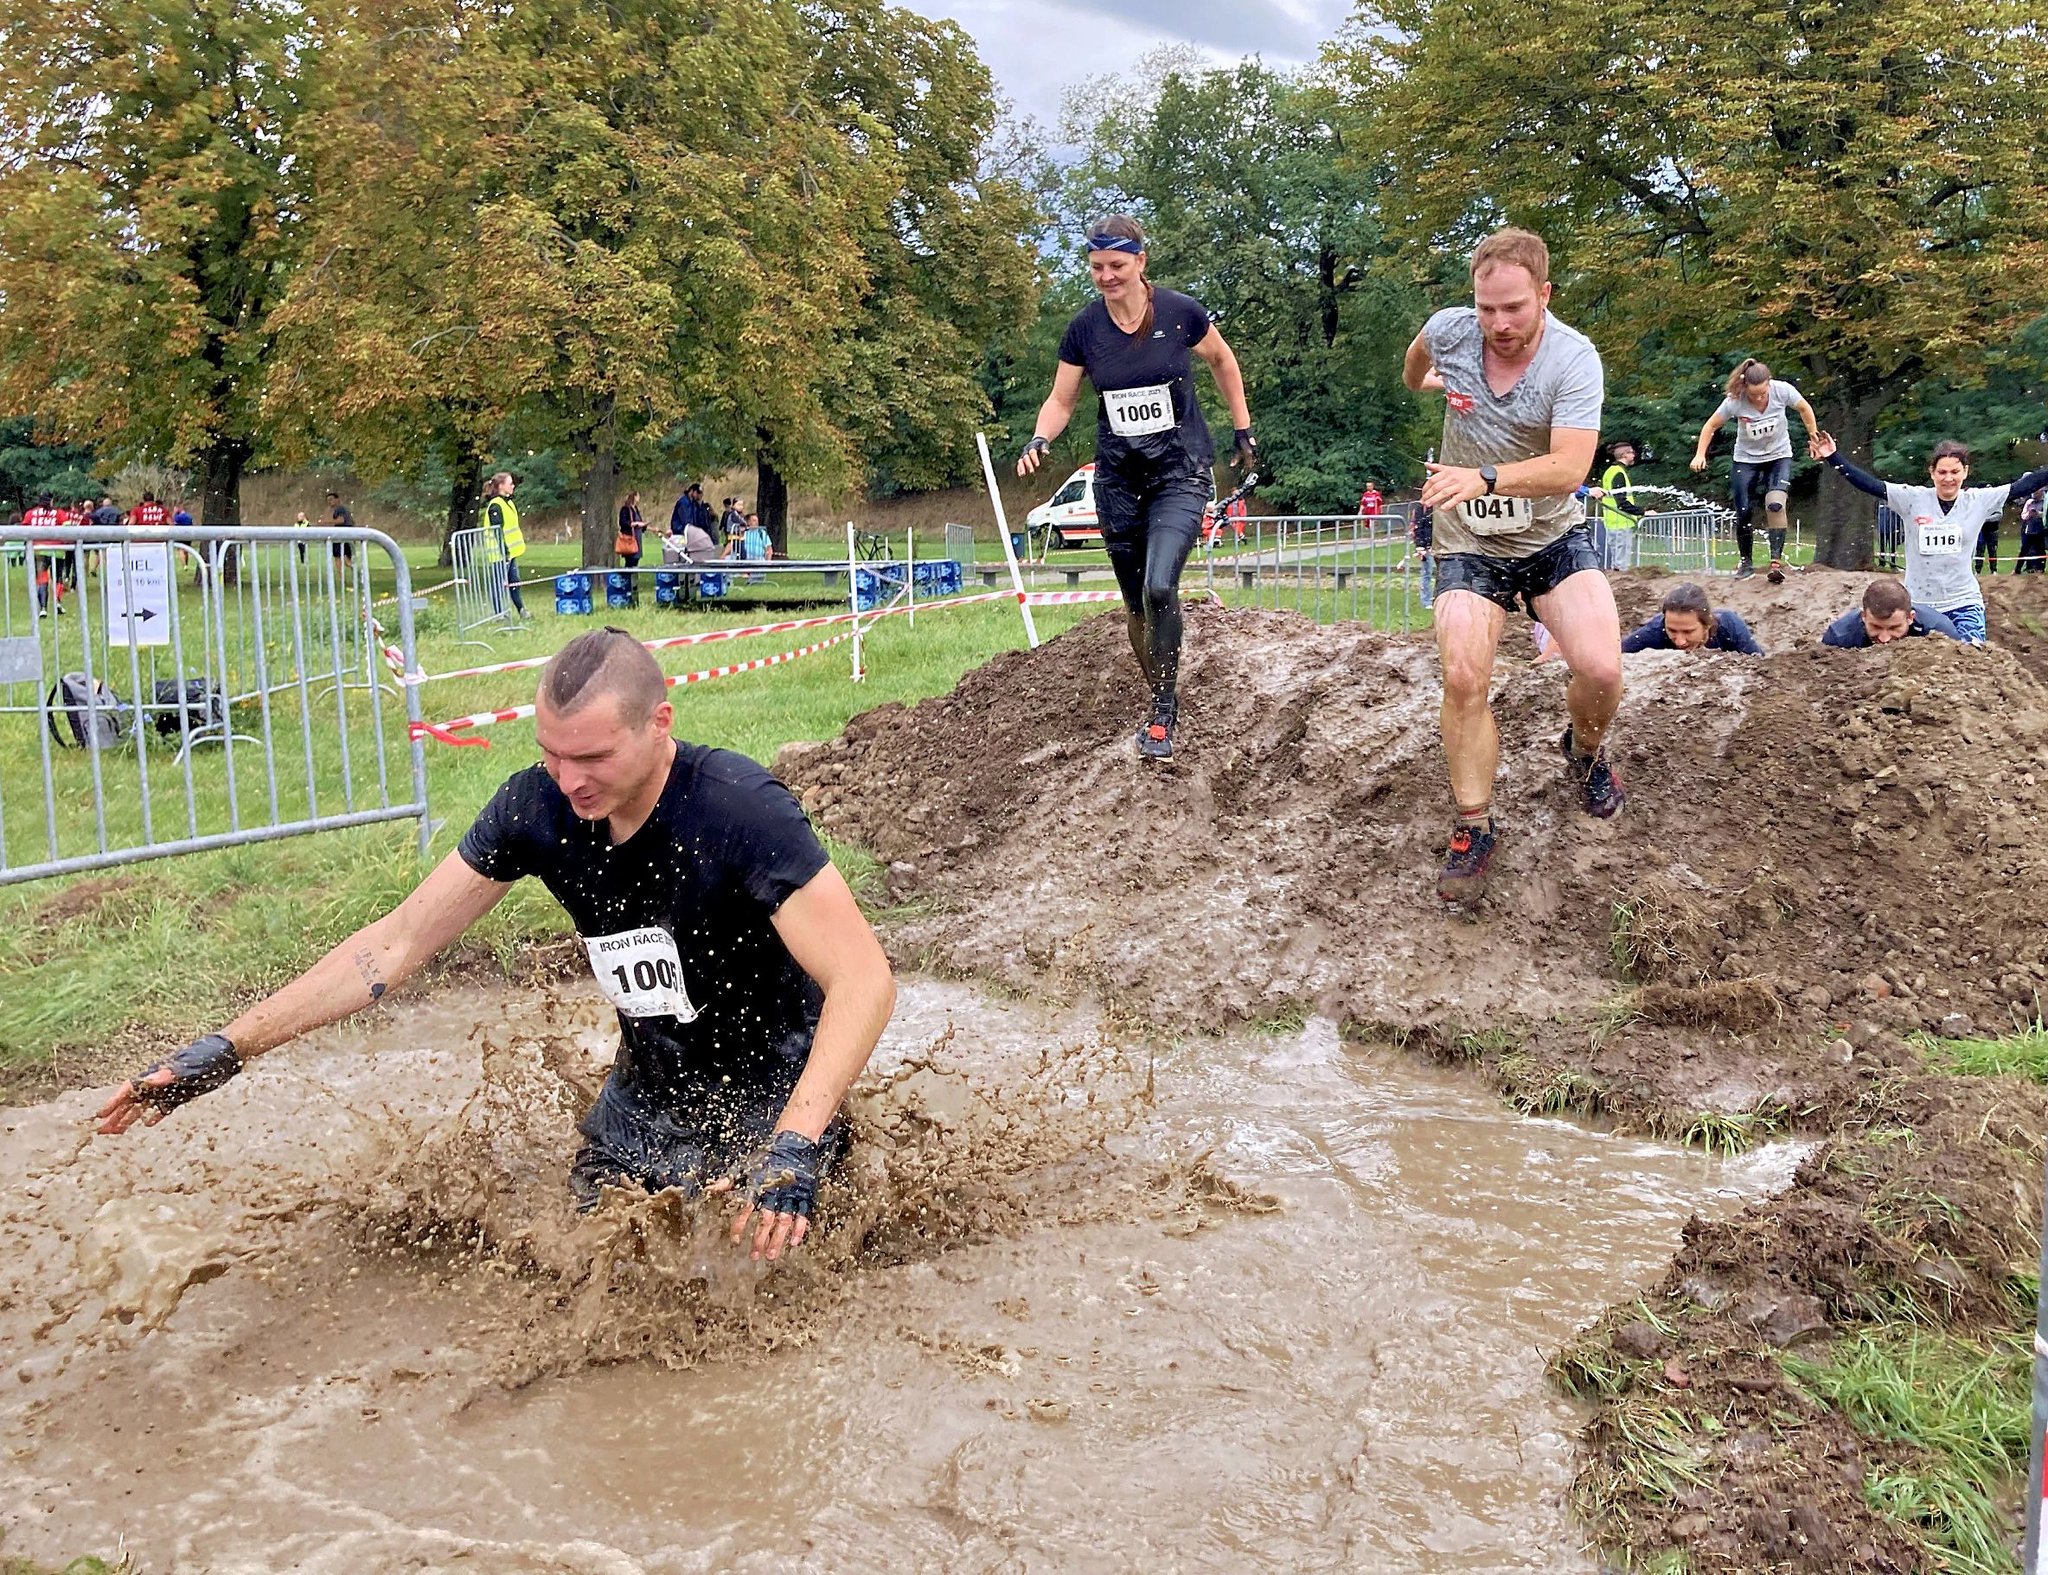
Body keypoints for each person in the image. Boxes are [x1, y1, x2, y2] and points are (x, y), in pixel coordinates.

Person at [96, 629, 897, 1257]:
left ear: (660, 725)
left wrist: (795, 1141)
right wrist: (228, 1048)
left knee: (760, 1296)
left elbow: (864, 979)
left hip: (775, 1105)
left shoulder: (739, 810)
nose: (568, 779)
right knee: (599, 1281)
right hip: (643, 1110)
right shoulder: (534, 811)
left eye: (592, 757)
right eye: (551, 754)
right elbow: (393, 945)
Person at [1402, 225, 1620, 908]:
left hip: (1550, 532)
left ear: (1544, 295)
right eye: (1486, 308)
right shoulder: (1451, 330)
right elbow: (1414, 365)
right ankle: (1474, 825)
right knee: (1464, 671)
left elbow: (1570, 466)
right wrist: (1430, 380)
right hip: (1468, 539)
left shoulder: (1574, 359)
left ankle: (1583, 752)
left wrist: (1485, 475)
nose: (1498, 324)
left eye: (1514, 309)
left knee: (1602, 666)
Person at [1016, 214, 1256, 763]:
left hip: (1180, 471)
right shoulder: (1084, 329)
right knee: (1134, 602)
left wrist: (1242, 427)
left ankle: (1165, 710)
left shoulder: (1179, 313)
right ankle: (1158, 691)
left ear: (1140, 262)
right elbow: (1061, 400)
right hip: (1119, 479)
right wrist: (1039, 438)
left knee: (1159, 587)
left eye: (1117, 266)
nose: (1106, 277)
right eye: (1097, 267)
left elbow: (1222, 359)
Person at [1815, 433, 2048, 645]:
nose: (1948, 479)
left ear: (1965, 472)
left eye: (1955, 472)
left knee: (1969, 662)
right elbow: (1870, 485)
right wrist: (1834, 457)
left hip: (1962, 602)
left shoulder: (1979, 500)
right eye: (1942, 472)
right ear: (1932, 472)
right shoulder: (1912, 498)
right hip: (1918, 603)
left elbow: (2023, 486)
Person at [1689, 358, 1821, 582]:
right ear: (1744, 387)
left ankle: (1775, 562)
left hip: (1779, 456)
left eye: (1763, 394)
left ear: (1769, 383)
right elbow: (1711, 425)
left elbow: (1804, 408)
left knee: (1775, 504)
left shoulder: (1783, 391)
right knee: (1743, 511)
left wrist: (1813, 437)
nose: (1759, 398)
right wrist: (1700, 454)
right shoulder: (1735, 401)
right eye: (1754, 395)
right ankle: (1746, 563)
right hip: (1746, 459)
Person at [1622, 582, 1764, 654]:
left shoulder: (1730, 626)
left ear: (1707, 624)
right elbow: (1615, 658)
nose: (1680, 642)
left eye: (1688, 632)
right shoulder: (1654, 632)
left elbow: (1760, 665)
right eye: (1672, 630)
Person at [1819, 578, 1961, 647]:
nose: (1884, 639)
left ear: (1910, 618)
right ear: (1863, 616)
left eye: (1894, 628)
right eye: (1876, 627)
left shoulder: (1939, 632)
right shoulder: (1839, 636)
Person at [1589, 438, 1646, 570]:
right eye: (1631, 452)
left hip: (1614, 521)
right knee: (1622, 565)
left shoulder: (1611, 471)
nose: (1634, 455)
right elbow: (1621, 503)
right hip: (1621, 521)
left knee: (1617, 562)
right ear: (1624, 455)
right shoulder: (1618, 473)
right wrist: (1642, 511)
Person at [482, 471, 528, 617]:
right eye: (510, 483)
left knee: (514, 583)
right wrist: (504, 551)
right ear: (501, 486)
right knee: (498, 584)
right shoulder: (496, 505)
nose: (513, 486)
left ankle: (521, 610)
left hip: (510, 552)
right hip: (499, 553)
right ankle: (499, 614)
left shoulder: (508, 503)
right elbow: (497, 531)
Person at [617, 490, 646, 569]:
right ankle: (626, 578)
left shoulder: (635, 508)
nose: (639, 498)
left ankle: (633, 578)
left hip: (637, 538)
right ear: (634, 497)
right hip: (630, 540)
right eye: (638, 496)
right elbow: (623, 523)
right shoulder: (625, 509)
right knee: (630, 561)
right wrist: (635, 524)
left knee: (636, 560)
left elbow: (640, 522)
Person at [327, 490, 356, 569]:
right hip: (345, 534)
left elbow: (341, 520)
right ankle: (349, 575)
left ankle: (344, 577)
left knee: (339, 557)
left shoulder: (340, 509)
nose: (329, 502)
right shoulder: (341, 509)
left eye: (331, 499)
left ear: (337, 499)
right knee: (342, 558)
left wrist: (326, 522)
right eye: (328, 500)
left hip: (342, 535)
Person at [2018, 494, 2046, 574]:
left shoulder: (2045, 502)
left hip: (2040, 529)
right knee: (2024, 550)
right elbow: (2023, 515)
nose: (2034, 494)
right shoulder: (2029, 502)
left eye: (2036, 493)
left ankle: (2040, 569)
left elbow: (2045, 515)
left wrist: (2038, 513)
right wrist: (2028, 514)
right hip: (2029, 529)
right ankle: (2018, 569)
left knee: (2040, 550)